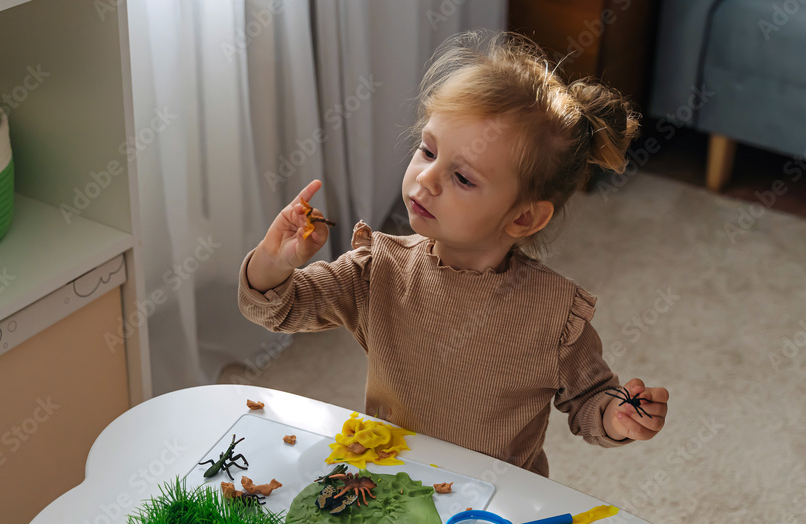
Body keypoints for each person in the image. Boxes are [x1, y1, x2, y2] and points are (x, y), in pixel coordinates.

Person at [238, 30, 668, 477]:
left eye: (462, 178)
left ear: (522, 218)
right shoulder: (377, 270)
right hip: (388, 481)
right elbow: (280, 309)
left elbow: (589, 400)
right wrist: (275, 261)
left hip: (497, 505)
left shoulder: (555, 314)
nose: (425, 180)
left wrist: (618, 418)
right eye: (428, 150)